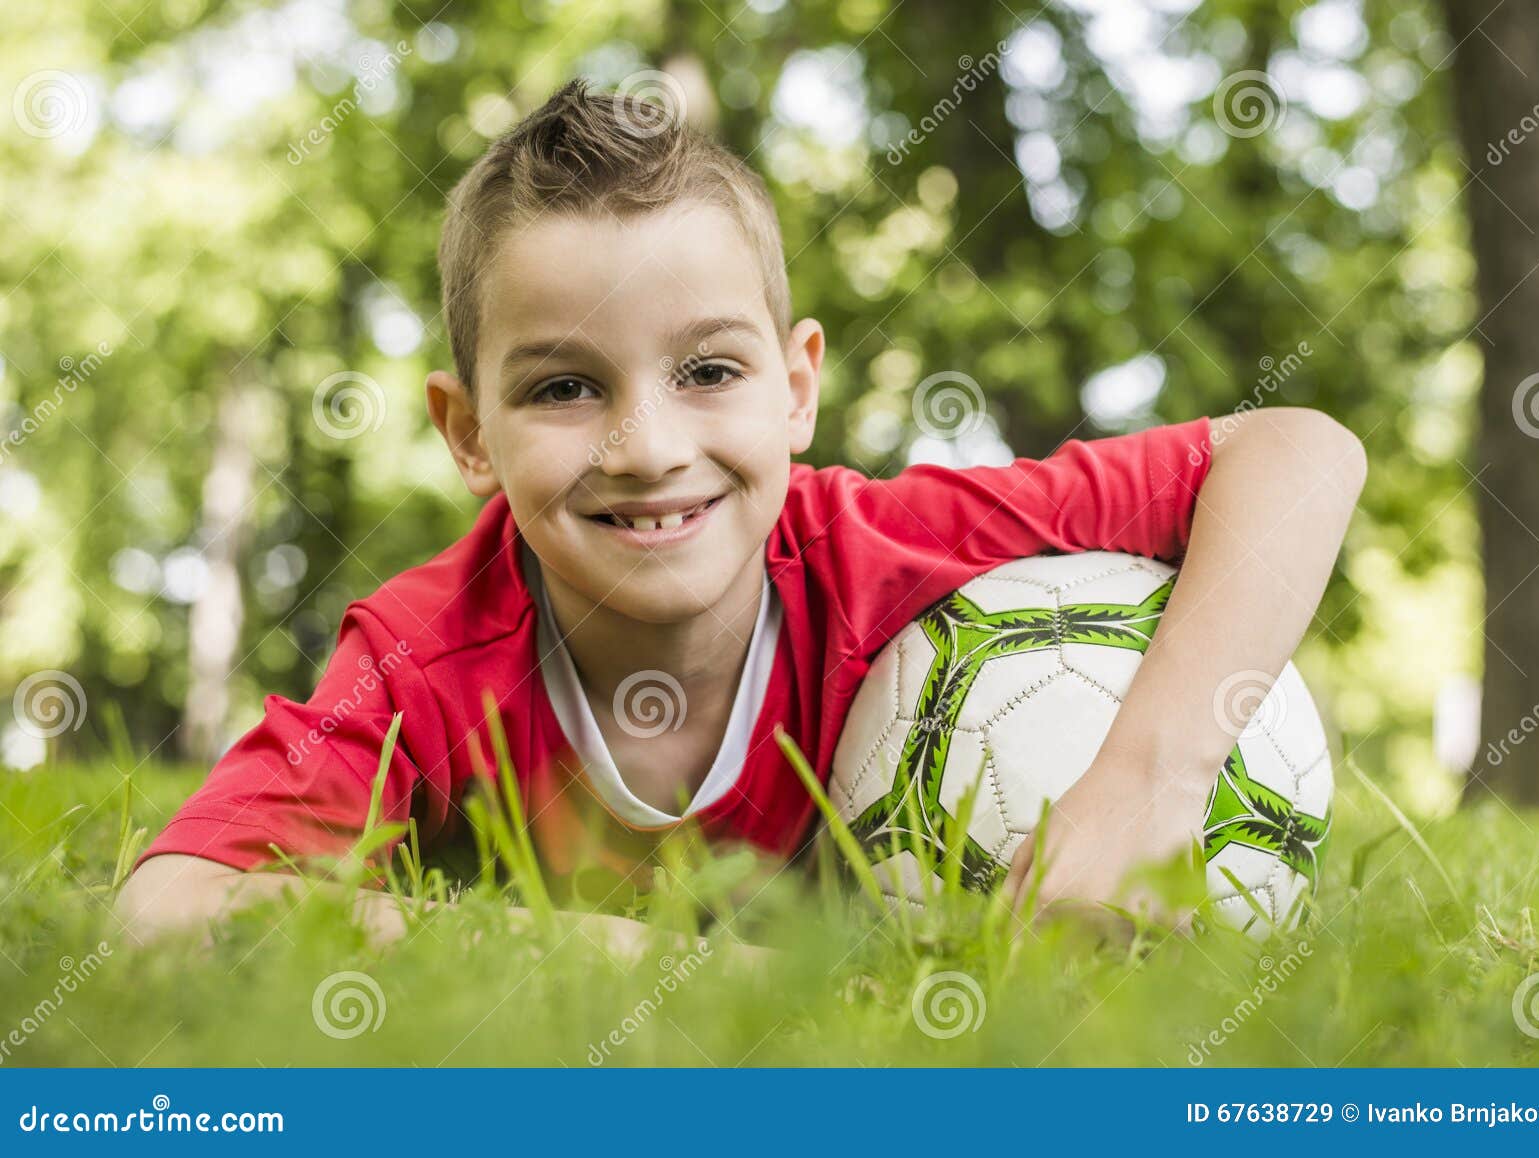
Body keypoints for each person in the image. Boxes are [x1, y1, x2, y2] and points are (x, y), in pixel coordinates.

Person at [116, 81, 1365, 954]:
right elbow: (169, 912)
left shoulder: (886, 552)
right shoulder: (421, 663)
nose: (648, 449)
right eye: (563, 388)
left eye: (708, 371)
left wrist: (1147, 780)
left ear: (797, 387)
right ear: (467, 432)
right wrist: (641, 963)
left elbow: (1298, 454)